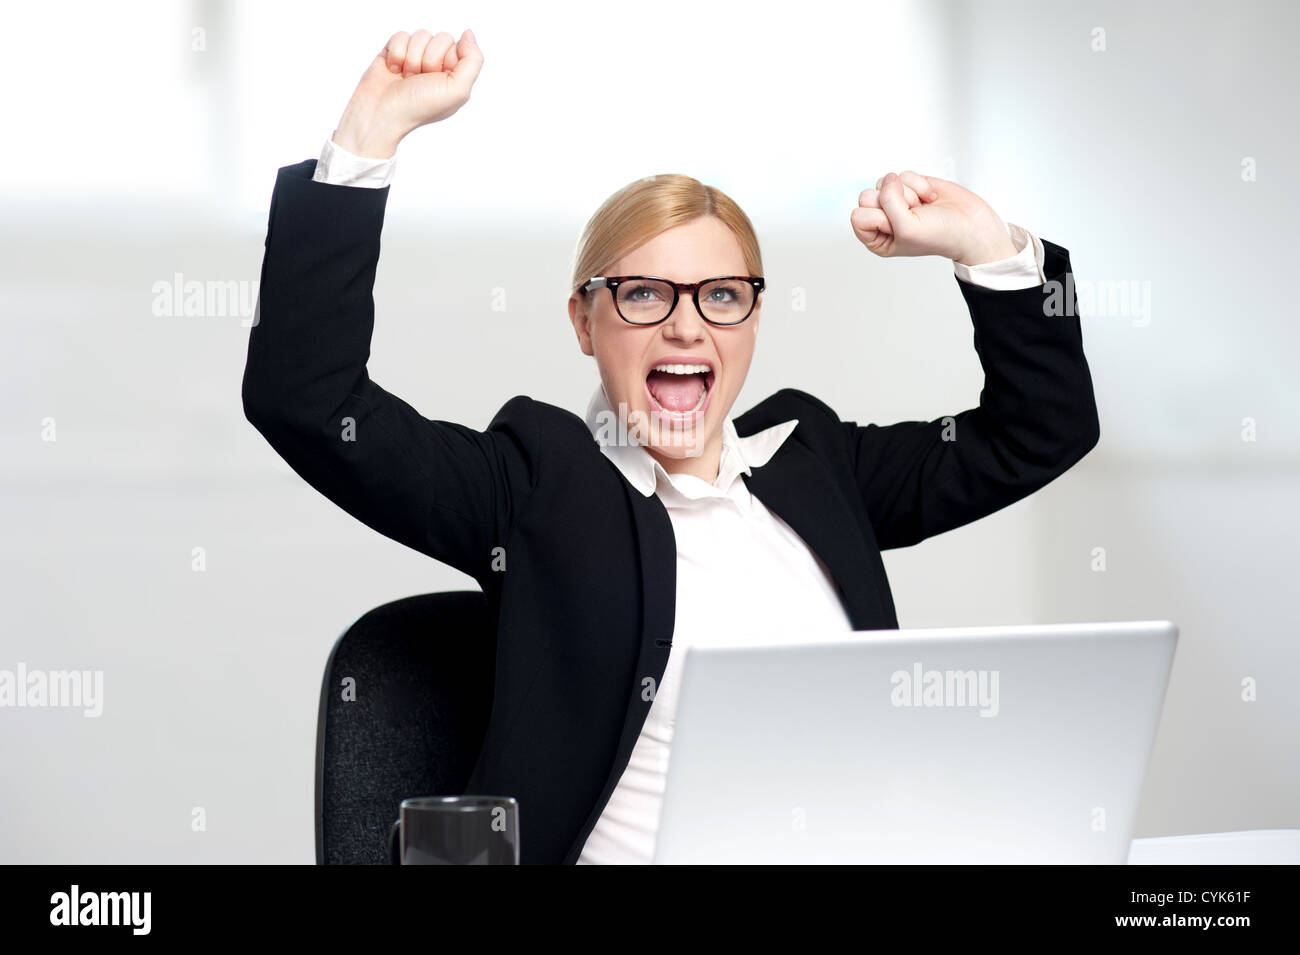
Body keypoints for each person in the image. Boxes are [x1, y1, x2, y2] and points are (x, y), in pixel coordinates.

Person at [241, 28, 1100, 864]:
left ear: (753, 319)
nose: (687, 323)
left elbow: (1041, 428)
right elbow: (307, 400)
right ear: (585, 321)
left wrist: (989, 248)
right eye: (645, 292)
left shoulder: (814, 463)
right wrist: (367, 140)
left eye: (721, 294)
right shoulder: (537, 487)